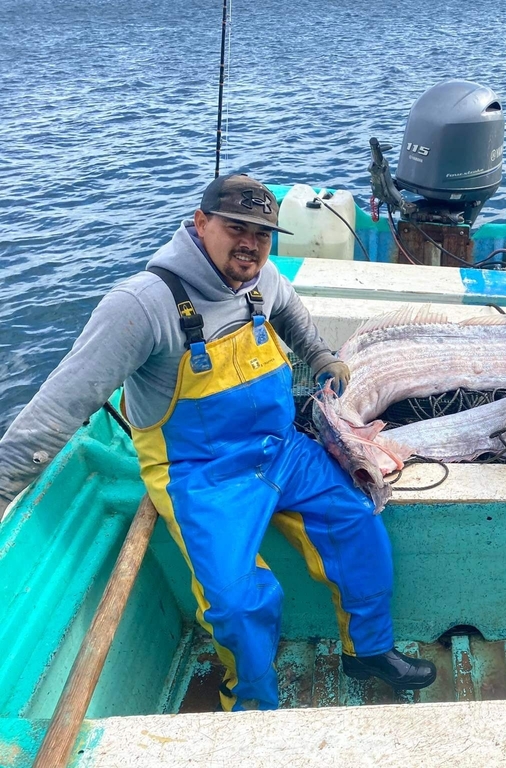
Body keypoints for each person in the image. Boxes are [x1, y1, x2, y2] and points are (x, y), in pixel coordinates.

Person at [0, 174, 436, 710]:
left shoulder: (261, 278)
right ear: (201, 223)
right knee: (235, 600)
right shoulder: (140, 305)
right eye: (236, 228)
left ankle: (366, 650)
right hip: (201, 474)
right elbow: (59, 405)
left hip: (280, 451)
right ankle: (251, 703)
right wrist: (4, 486)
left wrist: (319, 354)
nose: (250, 243)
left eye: (262, 232)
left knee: (359, 521)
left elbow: (290, 311)